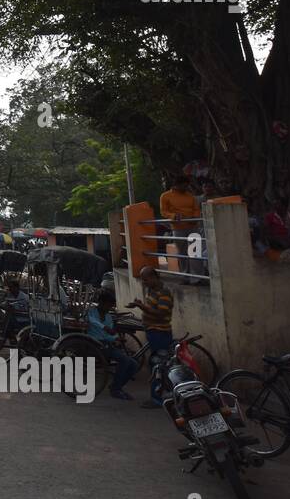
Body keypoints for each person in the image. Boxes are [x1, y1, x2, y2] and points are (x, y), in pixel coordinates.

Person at [125, 266, 174, 408]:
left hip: (160, 333)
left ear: (153, 278)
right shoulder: (152, 291)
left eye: (145, 279)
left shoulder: (164, 293)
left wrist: (142, 307)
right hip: (153, 332)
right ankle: (159, 396)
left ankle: (157, 399)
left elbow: (161, 313)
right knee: (156, 364)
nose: (144, 282)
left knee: (158, 365)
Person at [84, 291, 139, 401]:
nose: (109, 307)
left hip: (106, 344)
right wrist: (104, 328)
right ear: (100, 302)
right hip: (94, 344)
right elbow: (92, 321)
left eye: (111, 305)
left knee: (133, 364)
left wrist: (116, 339)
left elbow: (107, 336)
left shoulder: (108, 317)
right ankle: (116, 389)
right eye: (107, 305)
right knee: (125, 360)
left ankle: (116, 385)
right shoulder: (91, 312)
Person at [159, 175, 202, 280]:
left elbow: (196, 209)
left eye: (187, 185)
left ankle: (197, 278)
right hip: (178, 228)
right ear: (176, 185)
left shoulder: (191, 196)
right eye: (184, 185)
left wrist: (195, 217)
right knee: (182, 252)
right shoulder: (165, 196)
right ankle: (185, 276)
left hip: (193, 226)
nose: (186, 187)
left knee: (195, 252)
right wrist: (173, 216)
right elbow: (163, 212)